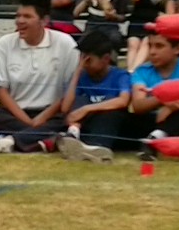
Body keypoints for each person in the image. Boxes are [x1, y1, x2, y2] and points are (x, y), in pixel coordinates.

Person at [0, 0, 78, 153]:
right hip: (16, 114)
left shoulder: (65, 44)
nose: (20, 21)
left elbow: (69, 92)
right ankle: (45, 138)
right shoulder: (5, 44)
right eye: (18, 16)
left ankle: (8, 142)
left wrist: (42, 118)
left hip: (51, 114)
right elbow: (1, 93)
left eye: (27, 17)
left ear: (44, 20)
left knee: (69, 117)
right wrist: (29, 123)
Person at [56, 29, 130, 162]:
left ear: (106, 59)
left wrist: (87, 108)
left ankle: (95, 146)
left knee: (111, 107)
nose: (84, 64)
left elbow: (123, 101)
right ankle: (73, 135)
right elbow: (65, 108)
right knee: (80, 99)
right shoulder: (82, 77)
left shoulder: (120, 75)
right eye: (82, 58)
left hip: (110, 127)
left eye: (88, 59)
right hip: (86, 125)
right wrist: (77, 71)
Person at [127, 0, 175, 70]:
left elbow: (171, 16)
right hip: (137, 23)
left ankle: (133, 72)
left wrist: (161, 17)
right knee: (133, 44)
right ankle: (130, 72)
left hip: (155, 26)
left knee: (146, 43)